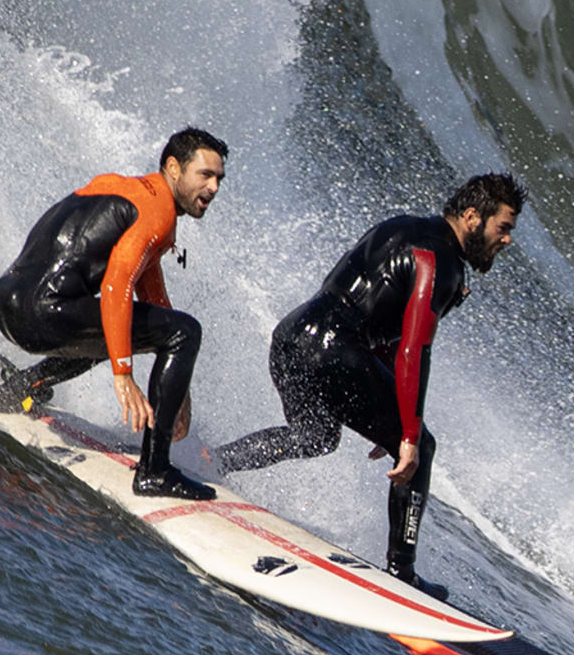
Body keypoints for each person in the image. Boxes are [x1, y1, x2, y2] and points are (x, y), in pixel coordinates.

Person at [212, 173, 524, 596]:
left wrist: (385, 408)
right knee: (423, 448)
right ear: (472, 217)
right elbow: (413, 350)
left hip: (291, 336)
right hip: (333, 353)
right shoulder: (442, 263)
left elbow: (364, 311)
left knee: (316, 436)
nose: (506, 240)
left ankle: (213, 461)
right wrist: (407, 435)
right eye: (502, 227)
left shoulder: (401, 225)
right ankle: (402, 573)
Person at [0, 127, 230, 501]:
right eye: (205, 175)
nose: (213, 188)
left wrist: (181, 395)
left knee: (128, 327)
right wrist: (123, 374)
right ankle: (154, 470)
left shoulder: (120, 188)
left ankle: (21, 389)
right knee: (186, 331)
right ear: (173, 168)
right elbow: (117, 287)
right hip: (44, 315)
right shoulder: (157, 213)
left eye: (219, 179)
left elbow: (151, 295)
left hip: (9, 303)